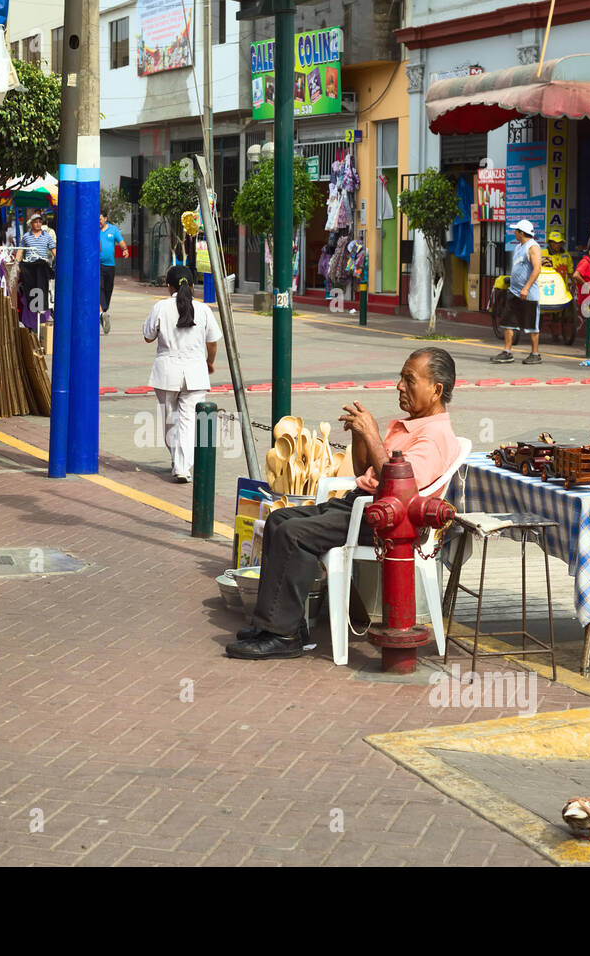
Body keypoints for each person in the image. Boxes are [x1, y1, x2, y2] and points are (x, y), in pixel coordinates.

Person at [227, 348, 461, 661]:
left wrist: (373, 434)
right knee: (279, 520)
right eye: (401, 378)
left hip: (383, 520)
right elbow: (365, 469)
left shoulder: (433, 437)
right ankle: (282, 624)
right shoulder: (410, 425)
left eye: (409, 380)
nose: (399, 386)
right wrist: (362, 439)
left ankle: (282, 635)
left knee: (293, 534)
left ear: (436, 390)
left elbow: (399, 489)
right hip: (360, 505)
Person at [142, 265, 222, 483]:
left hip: (166, 372)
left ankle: (179, 464)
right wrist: (210, 362)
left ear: (169, 286)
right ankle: (182, 466)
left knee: (171, 422)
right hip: (196, 372)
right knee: (188, 423)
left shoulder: (161, 307)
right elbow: (212, 342)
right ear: (193, 285)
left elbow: (148, 337)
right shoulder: (204, 309)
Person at [492, 219, 542, 364]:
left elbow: (537, 269)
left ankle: (535, 354)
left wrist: (526, 287)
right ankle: (507, 352)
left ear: (521, 233)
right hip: (513, 291)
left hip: (528, 293)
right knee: (508, 322)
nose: (514, 233)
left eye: (516, 231)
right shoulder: (519, 246)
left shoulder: (533, 247)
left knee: (532, 324)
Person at [15, 213, 56, 333]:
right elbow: (20, 252)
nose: (38, 224)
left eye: (40, 221)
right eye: (35, 221)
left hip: (42, 269)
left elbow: (54, 250)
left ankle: (41, 320)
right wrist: (16, 265)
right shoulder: (26, 237)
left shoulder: (47, 236)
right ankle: (31, 322)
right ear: (31, 223)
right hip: (29, 269)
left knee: (42, 293)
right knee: (30, 294)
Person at [99, 210, 128, 335]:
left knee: (108, 289)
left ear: (105, 218)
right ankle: (101, 312)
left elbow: (121, 242)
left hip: (110, 266)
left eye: (100, 219)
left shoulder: (113, 229)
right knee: (99, 287)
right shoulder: (93, 229)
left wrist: (125, 250)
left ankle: (103, 312)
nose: (98, 221)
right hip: (97, 265)